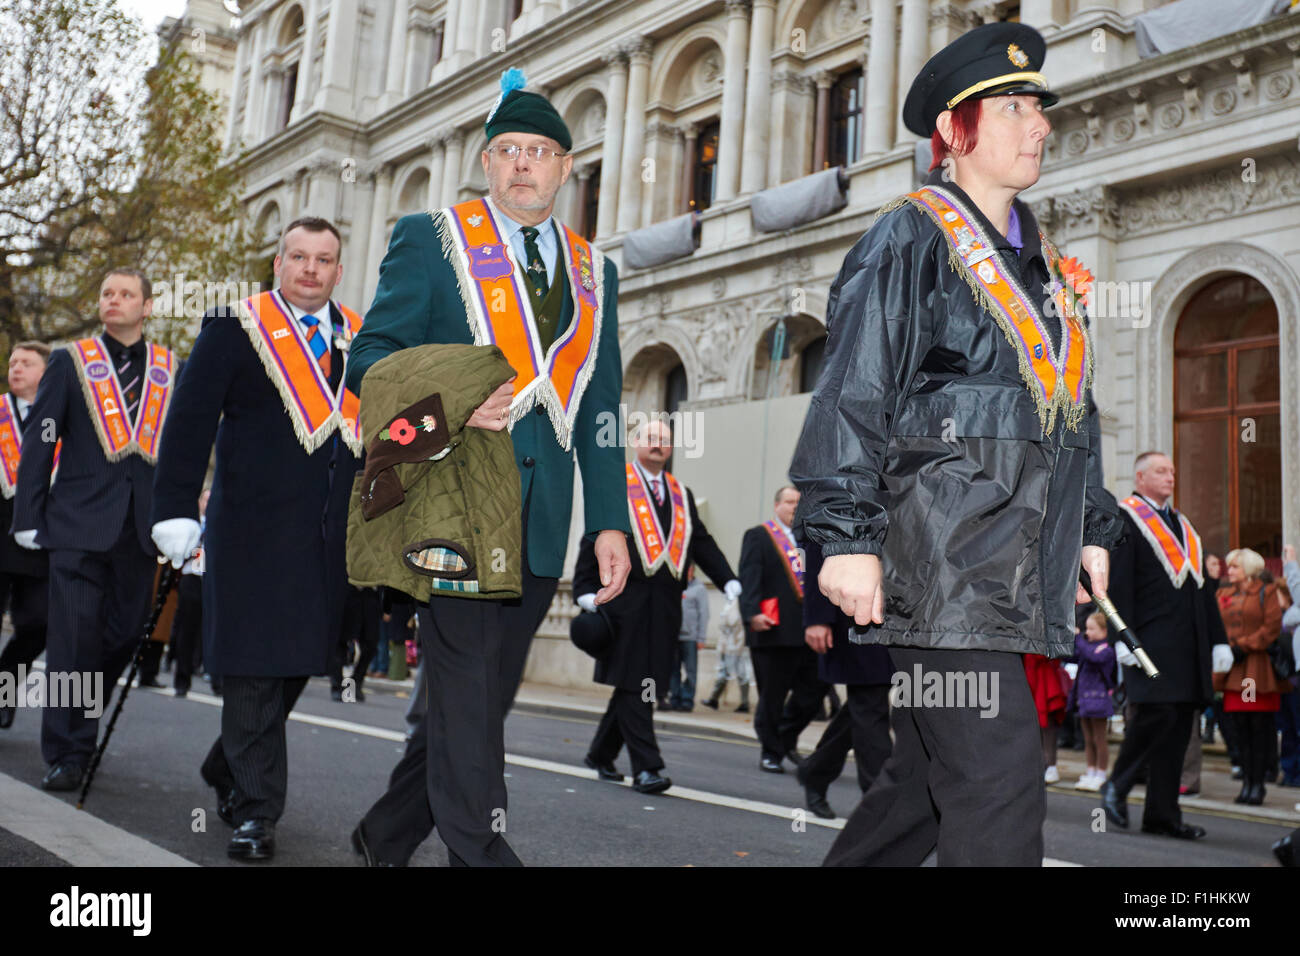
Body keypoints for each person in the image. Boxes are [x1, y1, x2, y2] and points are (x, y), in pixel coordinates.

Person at [789, 22, 1120, 866]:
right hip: (940, 569)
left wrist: (1089, 525)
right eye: (1011, 107)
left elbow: (1067, 413)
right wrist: (845, 536)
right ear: (953, 131)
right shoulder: (911, 237)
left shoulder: (1044, 269)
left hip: (1016, 570)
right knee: (997, 778)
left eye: (1038, 107)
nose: (1038, 124)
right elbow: (853, 390)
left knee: (921, 793)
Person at [345, 69, 631, 867]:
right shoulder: (431, 240)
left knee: (472, 705)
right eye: (506, 150)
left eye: (539, 151)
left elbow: (602, 405)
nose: (522, 165)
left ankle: (387, 832)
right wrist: (453, 402)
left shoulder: (593, 273)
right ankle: (483, 852)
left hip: (540, 523)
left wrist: (610, 519)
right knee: (468, 697)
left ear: (566, 166)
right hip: (455, 510)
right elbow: (368, 359)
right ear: (487, 161)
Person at [151, 216, 362, 860]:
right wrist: (175, 508)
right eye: (298, 256)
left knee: (296, 664)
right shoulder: (232, 328)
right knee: (249, 669)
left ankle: (227, 765)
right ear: (278, 263)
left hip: (328, 541)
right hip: (249, 534)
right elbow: (187, 424)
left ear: (337, 270)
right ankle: (257, 811)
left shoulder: (363, 339)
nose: (310, 269)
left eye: (323, 260)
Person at [14, 268, 176, 792]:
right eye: (107, 293)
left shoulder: (171, 369)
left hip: (140, 530)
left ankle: (78, 717)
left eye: (127, 294)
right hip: (77, 524)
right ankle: (67, 752)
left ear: (147, 306)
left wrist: (182, 517)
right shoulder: (70, 361)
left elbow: (181, 452)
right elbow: (41, 439)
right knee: (72, 641)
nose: (114, 300)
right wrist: (28, 517)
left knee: (125, 636)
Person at [574, 419, 740, 793]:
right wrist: (584, 590)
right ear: (635, 443)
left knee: (637, 684)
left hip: (665, 610)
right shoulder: (618, 486)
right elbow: (595, 538)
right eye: (650, 438)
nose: (657, 445)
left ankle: (601, 753)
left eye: (664, 440)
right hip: (623, 607)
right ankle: (647, 767)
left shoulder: (681, 494)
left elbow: (702, 542)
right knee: (638, 684)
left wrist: (728, 579)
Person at [1099, 451, 1224, 838]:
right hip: (1149, 643)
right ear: (1140, 476)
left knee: (1177, 727)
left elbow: (1201, 590)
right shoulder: (1126, 517)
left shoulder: (1183, 524)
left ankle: (1162, 815)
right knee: (1157, 715)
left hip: (1187, 647)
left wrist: (1218, 640)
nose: (1170, 477)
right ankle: (1116, 784)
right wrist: (1124, 639)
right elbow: (1117, 586)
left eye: (1172, 470)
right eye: (1161, 471)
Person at [796, 538, 893, 819]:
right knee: (870, 702)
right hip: (851, 610)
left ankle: (814, 771)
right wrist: (815, 617)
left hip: (894, 610)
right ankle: (880, 803)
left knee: (864, 707)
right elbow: (814, 546)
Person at [740, 485, 824, 773]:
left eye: (799, 503)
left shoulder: (814, 540)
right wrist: (751, 614)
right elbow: (749, 577)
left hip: (809, 630)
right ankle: (770, 751)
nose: (794, 507)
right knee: (772, 697)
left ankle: (784, 738)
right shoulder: (760, 536)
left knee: (813, 694)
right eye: (789, 502)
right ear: (777, 505)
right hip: (773, 629)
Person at [0, 342, 52, 731]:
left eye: (26, 363)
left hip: (40, 544)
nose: (15, 368)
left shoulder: (60, 418)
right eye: (12, 362)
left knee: (38, 625)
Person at [1215, 547, 1283, 806]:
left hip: (1254, 669)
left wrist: (1242, 646)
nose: (1229, 571)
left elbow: (1271, 627)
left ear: (1249, 569)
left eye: (1234, 567)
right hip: (1232, 669)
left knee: (1257, 726)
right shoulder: (1223, 593)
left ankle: (1257, 785)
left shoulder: (1267, 591)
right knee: (1239, 727)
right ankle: (1246, 783)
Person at [169, 488, 208, 698]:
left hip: (211, 581)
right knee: (186, 629)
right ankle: (181, 678)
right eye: (205, 499)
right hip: (192, 577)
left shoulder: (219, 524)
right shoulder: (194, 525)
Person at [1070, 610, 1116, 791]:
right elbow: (1074, 657)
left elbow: (1093, 657)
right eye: (1086, 629)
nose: (1087, 632)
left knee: (1099, 738)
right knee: (1088, 738)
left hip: (1099, 700)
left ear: (1105, 631)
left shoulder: (1106, 649)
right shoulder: (1087, 646)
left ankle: (1101, 773)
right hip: (1084, 699)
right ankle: (1090, 771)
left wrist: (1078, 638)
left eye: (1091, 629)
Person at [330, 585, 382, 703]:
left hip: (370, 596)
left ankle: (356, 683)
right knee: (341, 641)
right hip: (348, 593)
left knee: (371, 644)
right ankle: (337, 686)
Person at [702, 594, 752, 712]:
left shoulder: (737, 602)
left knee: (734, 674)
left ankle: (742, 703)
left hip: (734, 646)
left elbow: (733, 622)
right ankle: (714, 699)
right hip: (732, 645)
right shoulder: (733, 601)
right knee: (730, 673)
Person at [668, 565, 708, 711]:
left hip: (690, 637)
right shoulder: (674, 584)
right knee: (673, 670)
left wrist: (701, 638)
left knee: (691, 671)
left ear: (692, 570)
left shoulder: (699, 589)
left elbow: (704, 614)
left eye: (688, 569)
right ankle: (675, 697)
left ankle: (687, 699)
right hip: (673, 636)